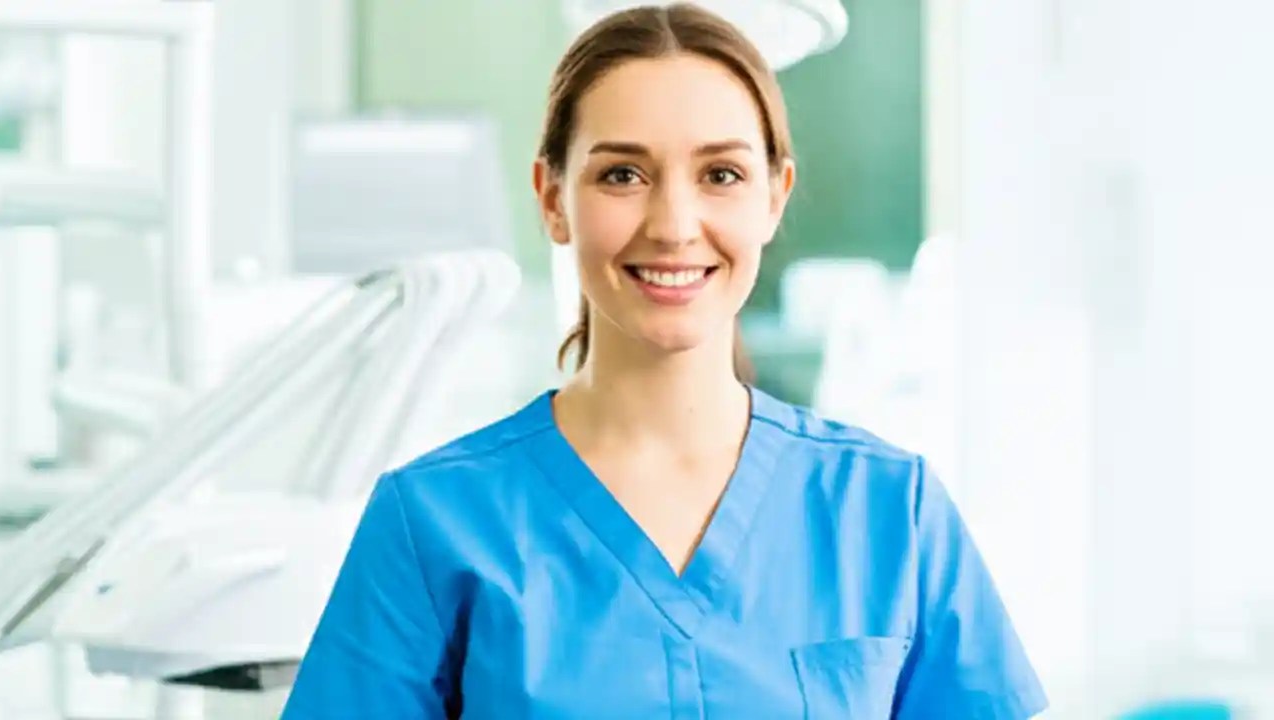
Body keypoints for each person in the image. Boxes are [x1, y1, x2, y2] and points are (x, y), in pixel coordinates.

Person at [280, 4, 1047, 718]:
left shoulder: (887, 513)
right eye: (623, 174)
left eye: (721, 175)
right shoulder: (434, 527)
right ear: (551, 198)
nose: (675, 225)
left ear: (775, 195)